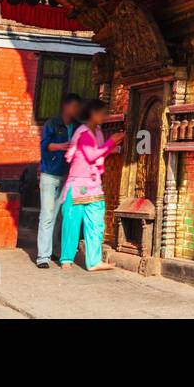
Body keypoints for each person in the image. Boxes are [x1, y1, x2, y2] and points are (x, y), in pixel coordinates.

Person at [60, 99, 123, 272]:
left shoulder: (99, 132)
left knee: (96, 224)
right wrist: (112, 142)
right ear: (92, 113)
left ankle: (94, 261)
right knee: (72, 224)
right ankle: (66, 258)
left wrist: (113, 145)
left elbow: (101, 153)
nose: (104, 116)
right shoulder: (83, 133)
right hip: (78, 184)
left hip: (94, 184)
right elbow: (92, 155)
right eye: (102, 112)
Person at [36, 93, 83, 269]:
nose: (76, 110)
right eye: (74, 107)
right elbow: (45, 146)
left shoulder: (78, 127)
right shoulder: (52, 124)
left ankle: (55, 249)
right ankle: (43, 256)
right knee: (47, 214)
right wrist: (62, 146)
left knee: (60, 214)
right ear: (66, 106)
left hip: (67, 175)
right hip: (50, 174)